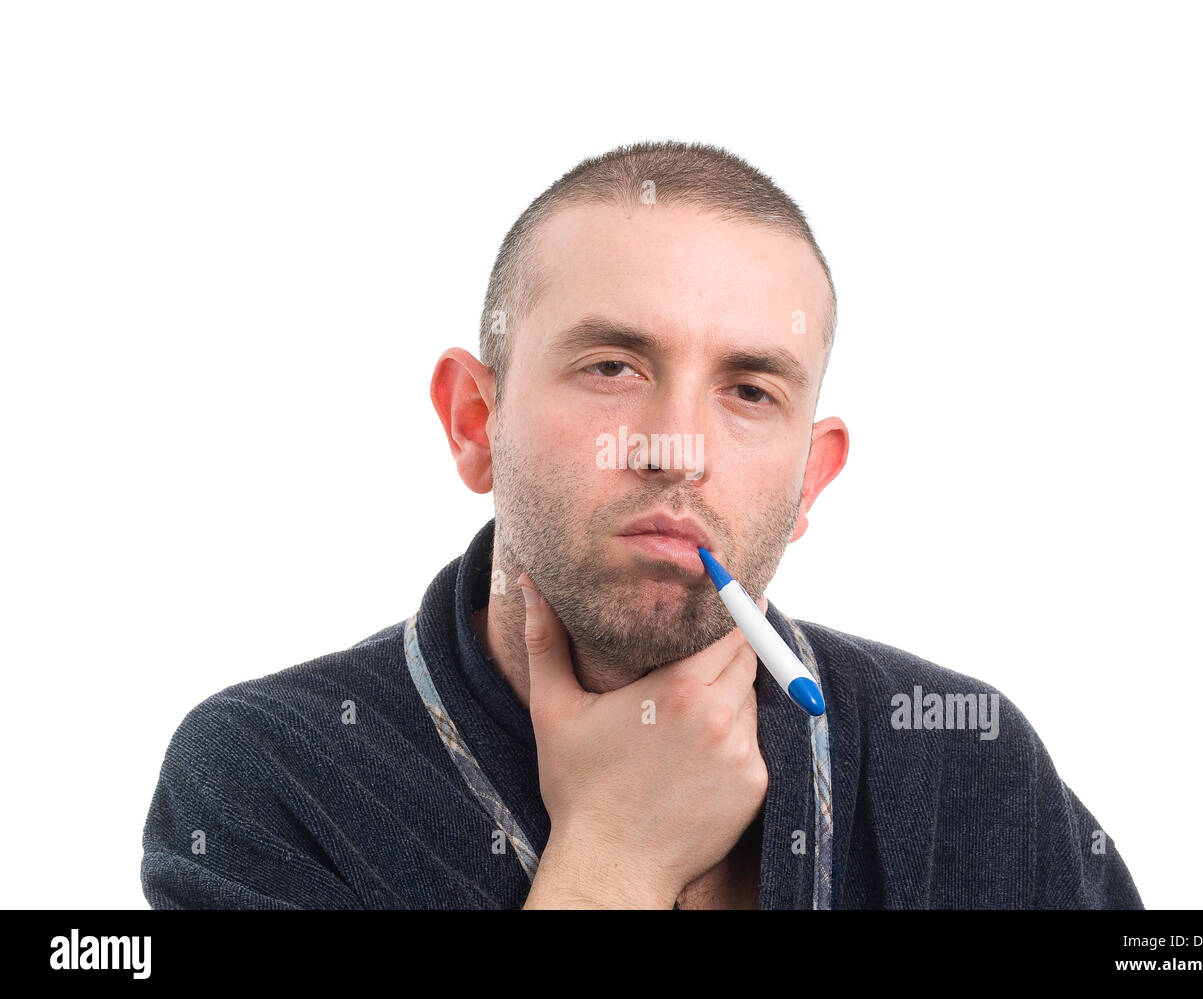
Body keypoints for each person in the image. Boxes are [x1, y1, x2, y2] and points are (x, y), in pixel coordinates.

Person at [141, 140, 1143, 909]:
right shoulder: (271, 774)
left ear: (809, 481)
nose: (673, 448)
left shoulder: (967, 763)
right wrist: (610, 861)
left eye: (749, 390)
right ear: (474, 422)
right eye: (613, 368)